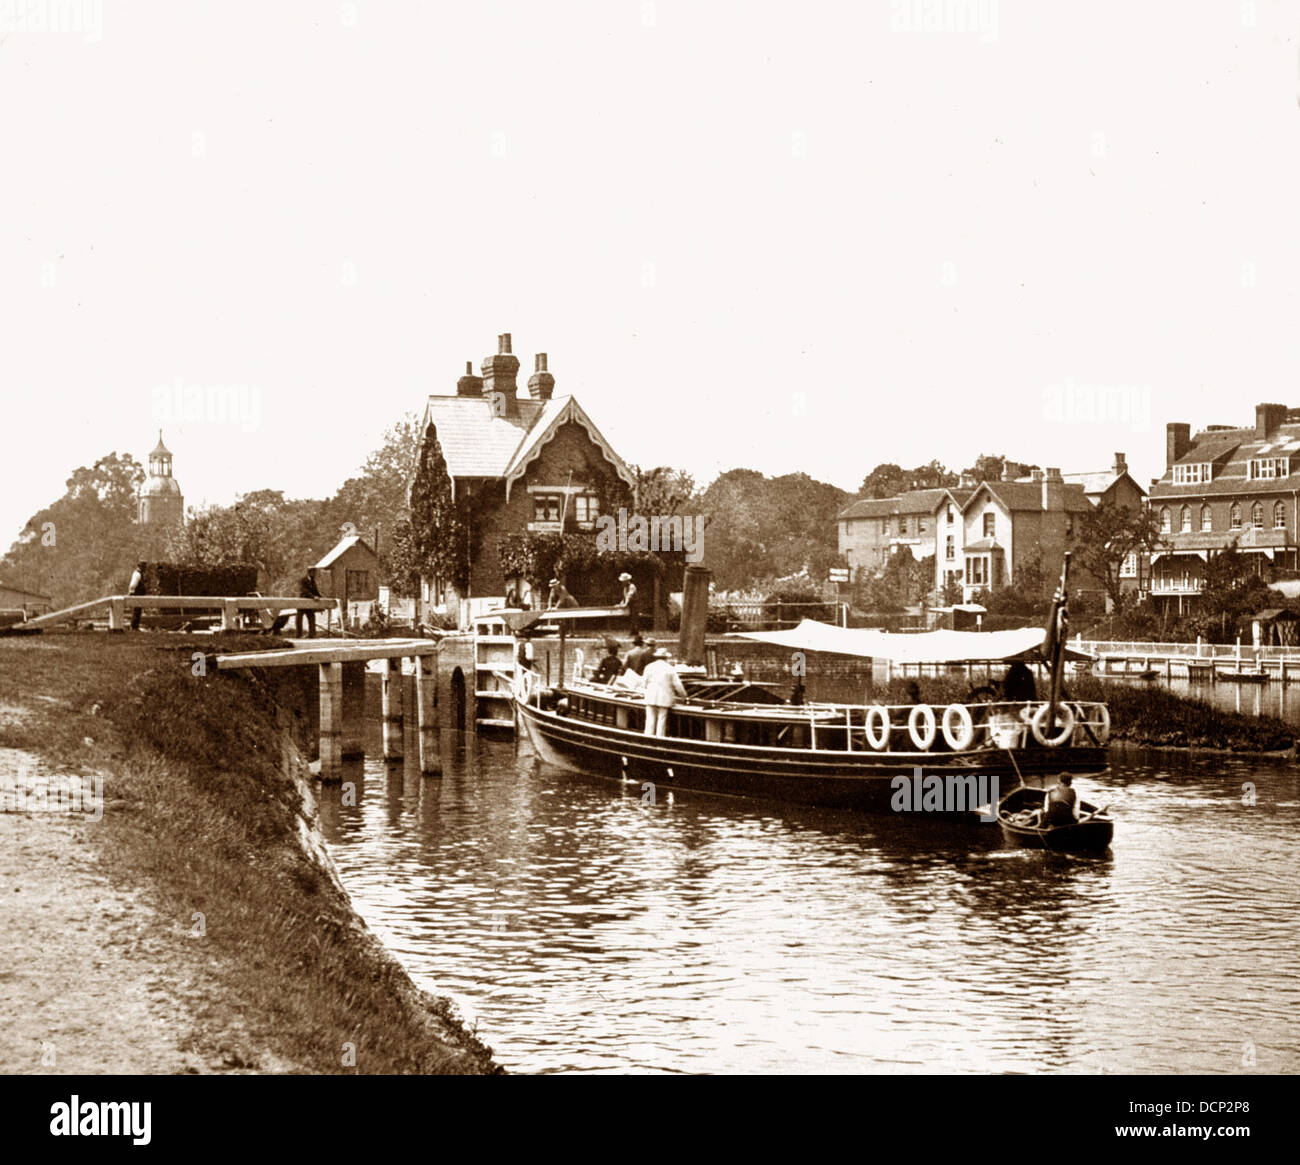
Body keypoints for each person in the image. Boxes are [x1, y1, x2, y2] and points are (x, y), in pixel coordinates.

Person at [642, 647, 686, 737]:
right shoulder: (670, 668)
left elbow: (643, 683)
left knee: (650, 719)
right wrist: (684, 696)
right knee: (662, 720)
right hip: (665, 698)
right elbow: (677, 685)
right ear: (666, 658)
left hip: (650, 696)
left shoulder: (649, 667)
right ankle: (660, 739)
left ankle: (647, 738)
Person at [127, 561, 146, 631]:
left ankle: (135, 626)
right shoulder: (137, 574)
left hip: (139, 595)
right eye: (143, 566)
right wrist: (131, 592)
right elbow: (133, 584)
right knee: (136, 610)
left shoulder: (139, 574)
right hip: (137, 594)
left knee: (138, 610)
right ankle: (134, 626)